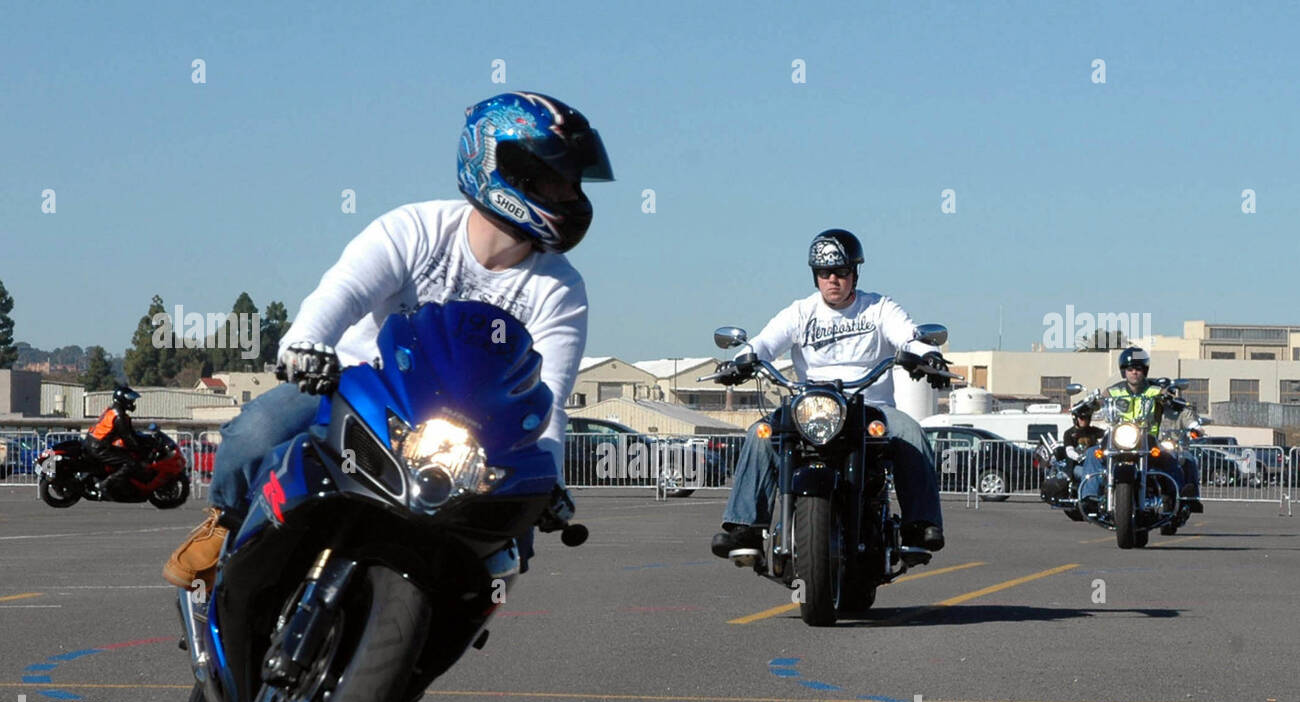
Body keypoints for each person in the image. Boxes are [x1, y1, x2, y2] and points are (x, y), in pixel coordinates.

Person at [163, 91, 613, 590]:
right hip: (359, 388)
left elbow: (548, 395)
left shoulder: (561, 287)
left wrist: (548, 476)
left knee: (511, 542)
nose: (570, 194)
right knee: (258, 432)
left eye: (572, 182)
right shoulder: (416, 228)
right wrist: (305, 344)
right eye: (554, 178)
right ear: (502, 169)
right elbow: (344, 292)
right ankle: (226, 523)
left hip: (473, 432)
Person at [710, 229, 948, 559]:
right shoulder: (800, 312)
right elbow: (764, 343)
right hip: (809, 406)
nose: (833, 279)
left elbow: (906, 336)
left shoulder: (878, 308)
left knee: (910, 432)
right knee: (759, 434)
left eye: (841, 272)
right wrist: (740, 361)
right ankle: (745, 528)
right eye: (824, 273)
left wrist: (924, 354)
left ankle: (920, 524)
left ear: (855, 273)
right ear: (815, 276)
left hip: (870, 406)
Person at [1077, 346, 1201, 511]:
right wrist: (1086, 406)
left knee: (1171, 457)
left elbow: (1179, 407)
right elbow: (1097, 403)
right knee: (1093, 453)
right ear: (1124, 371)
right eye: (1130, 369)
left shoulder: (1155, 390)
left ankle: (1181, 497)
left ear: (1145, 371)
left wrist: (1174, 404)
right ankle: (1089, 498)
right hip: (1117, 437)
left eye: (1138, 369)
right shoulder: (1113, 391)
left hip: (1147, 439)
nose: (1134, 372)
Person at [85, 386, 148, 494]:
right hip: (100, 447)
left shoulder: (112, 410)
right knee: (130, 463)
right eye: (130, 399)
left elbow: (127, 433)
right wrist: (139, 448)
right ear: (123, 399)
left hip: (95, 442)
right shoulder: (119, 416)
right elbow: (127, 436)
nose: (132, 402)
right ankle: (104, 485)